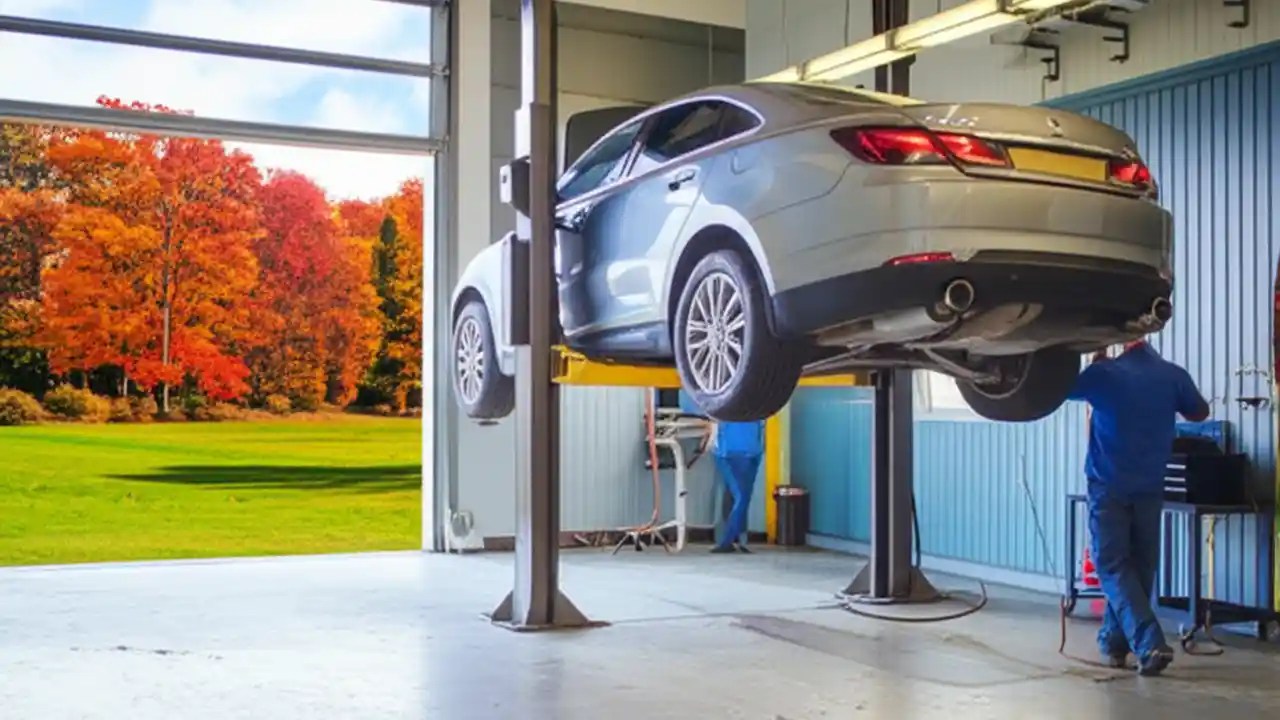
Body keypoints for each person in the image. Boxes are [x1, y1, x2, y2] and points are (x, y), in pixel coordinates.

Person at [1068, 339, 1210, 676]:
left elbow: (1061, 389)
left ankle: (1149, 643)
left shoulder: (1106, 374)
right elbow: (1200, 412)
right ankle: (1115, 643)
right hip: (1150, 486)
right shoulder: (1172, 375)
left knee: (1112, 565)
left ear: (1122, 346)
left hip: (1109, 486)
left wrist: (1095, 362)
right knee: (1140, 568)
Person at [710, 418, 764, 554]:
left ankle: (732, 539)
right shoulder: (759, 404)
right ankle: (732, 539)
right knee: (742, 496)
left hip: (733, 450)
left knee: (739, 496)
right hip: (745, 450)